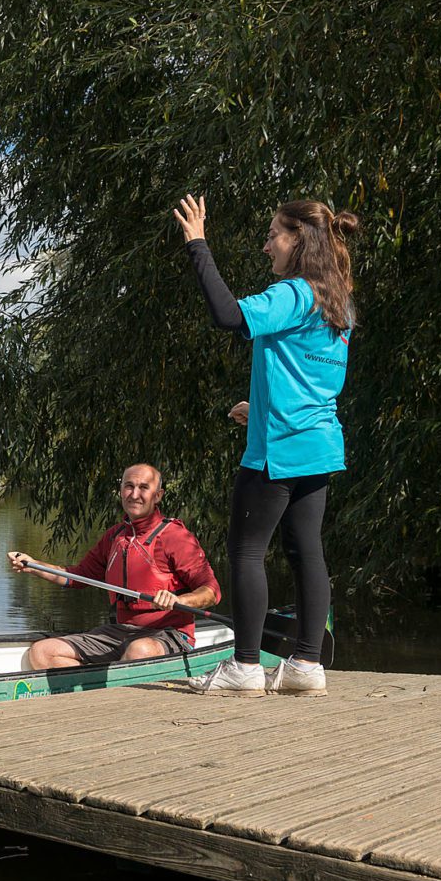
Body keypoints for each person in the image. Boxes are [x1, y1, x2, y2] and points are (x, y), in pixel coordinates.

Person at [173, 194, 360, 697]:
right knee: (307, 553)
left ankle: (246, 666)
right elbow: (309, 381)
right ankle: (306, 665)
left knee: (246, 551)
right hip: (318, 446)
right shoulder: (337, 303)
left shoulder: (294, 294)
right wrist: (259, 410)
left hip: (278, 450)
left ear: (298, 240)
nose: (265, 245)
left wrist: (197, 244)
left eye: (273, 234)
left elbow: (228, 315)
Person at [8, 463, 221, 669]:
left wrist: (180, 600)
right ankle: (96, 698)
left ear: (158, 496)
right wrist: (35, 566)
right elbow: (77, 577)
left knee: (139, 651)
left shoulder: (175, 536)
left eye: (144, 487)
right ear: (120, 491)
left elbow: (211, 591)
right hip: (121, 631)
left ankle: (114, 689)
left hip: (169, 633)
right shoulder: (115, 536)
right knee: (42, 652)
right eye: (129, 486)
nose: (134, 494)